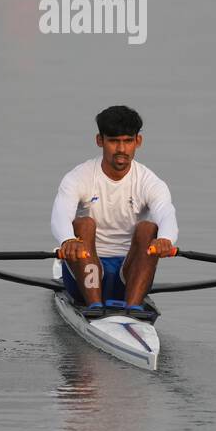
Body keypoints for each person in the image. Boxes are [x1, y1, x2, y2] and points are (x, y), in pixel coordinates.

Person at [50, 105, 177, 319]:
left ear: (138, 142)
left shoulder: (150, 182)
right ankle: (94, 306)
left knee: (149, 228)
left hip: (128, 275)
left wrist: (165, 239)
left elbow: (166, 213)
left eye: (128, 141)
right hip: (85, 273)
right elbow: (60, 214)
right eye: (113, 141)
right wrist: (67, 240)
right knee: (84, 224)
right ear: (100, 141)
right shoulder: (78, 177)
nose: (121, 149)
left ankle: (133, 308)